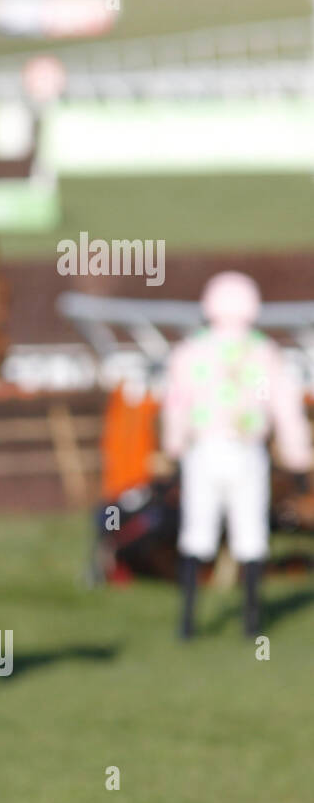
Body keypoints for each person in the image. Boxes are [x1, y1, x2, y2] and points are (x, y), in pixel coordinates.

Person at [161, 271, 311, 638]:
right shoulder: (264, 352)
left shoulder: (191, 351)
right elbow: (285, 407)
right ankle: (251, 621)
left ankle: (188, 621)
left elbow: (177, 402)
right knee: (251, 534)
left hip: (204, 452)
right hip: (247, 452)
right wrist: (298, 454)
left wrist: (174, 443)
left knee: (197, 532)